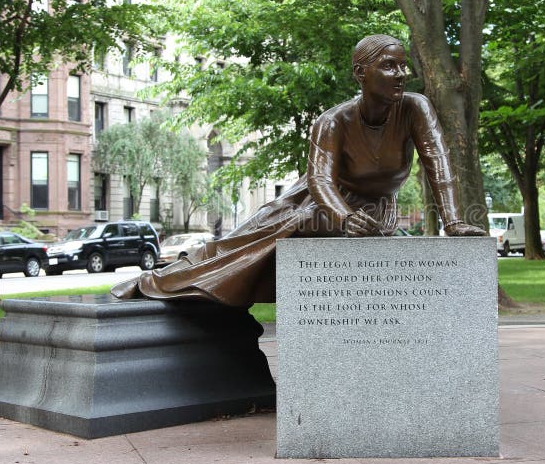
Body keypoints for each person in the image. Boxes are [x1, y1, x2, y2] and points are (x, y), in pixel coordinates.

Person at [111, 34, 484, 308]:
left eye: (403, 66)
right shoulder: (333, 121)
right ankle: (161, 279)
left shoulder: (415, 108)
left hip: (372, 208)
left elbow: (439, 162)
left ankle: (188, 282)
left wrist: (453, 222)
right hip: (323, 199)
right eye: (389, 65)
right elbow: (320, 179)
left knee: (297, 223)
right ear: (360, 72)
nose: (400, 73)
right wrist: (343, 217)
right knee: (248, 233)